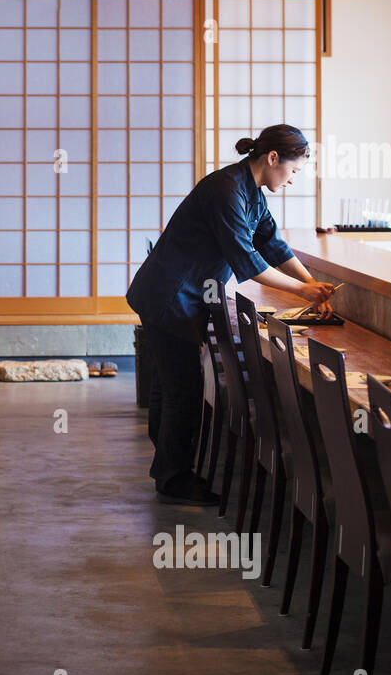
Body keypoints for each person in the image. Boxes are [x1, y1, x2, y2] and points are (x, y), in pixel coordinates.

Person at [127, 124, 334, 505]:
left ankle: (166, 467)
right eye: (294, 170)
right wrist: (304, 291)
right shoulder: (227, 189)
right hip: (169, 296)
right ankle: (173, 480)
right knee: (181, 389)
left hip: (179, 296)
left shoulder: (251, 191)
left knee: (170, 386)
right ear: (273, 159)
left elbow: (270, 242)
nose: (293, 180)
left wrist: (311, 282)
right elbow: (249, 261)